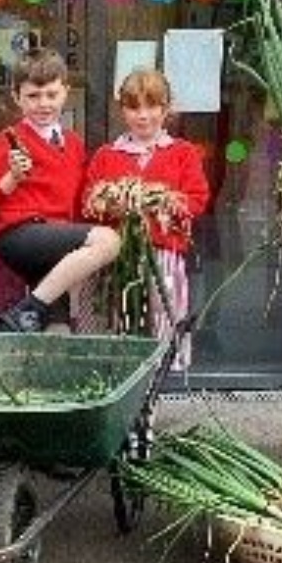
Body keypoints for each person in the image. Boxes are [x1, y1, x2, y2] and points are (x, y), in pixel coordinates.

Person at [0, 47, 121, 332]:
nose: (43, 104)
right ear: (16, 97)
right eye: (33, 96)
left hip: (55, 243)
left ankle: (34, 311)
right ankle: (27, 309)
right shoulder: (7, 141)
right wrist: (10, 180)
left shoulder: (73, 144)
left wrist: (111, 202)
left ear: (65, 92)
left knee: (58, 332)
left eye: (51, 95)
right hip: (19, 234)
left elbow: (80, 202)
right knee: (108, 241)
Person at [82, 68, 210, 362]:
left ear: (166, 108)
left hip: (162, 253)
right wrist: (111, 204)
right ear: (122, 110)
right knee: (111, 316)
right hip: (114, 257)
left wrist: (165, 202)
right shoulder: (107, 155)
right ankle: (109, 374)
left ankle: (162, 375)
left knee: (163, 315)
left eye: (151, 107)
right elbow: (88, 203)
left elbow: (197, 199)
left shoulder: (182, 152)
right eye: (134, 108)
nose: (143, 116)